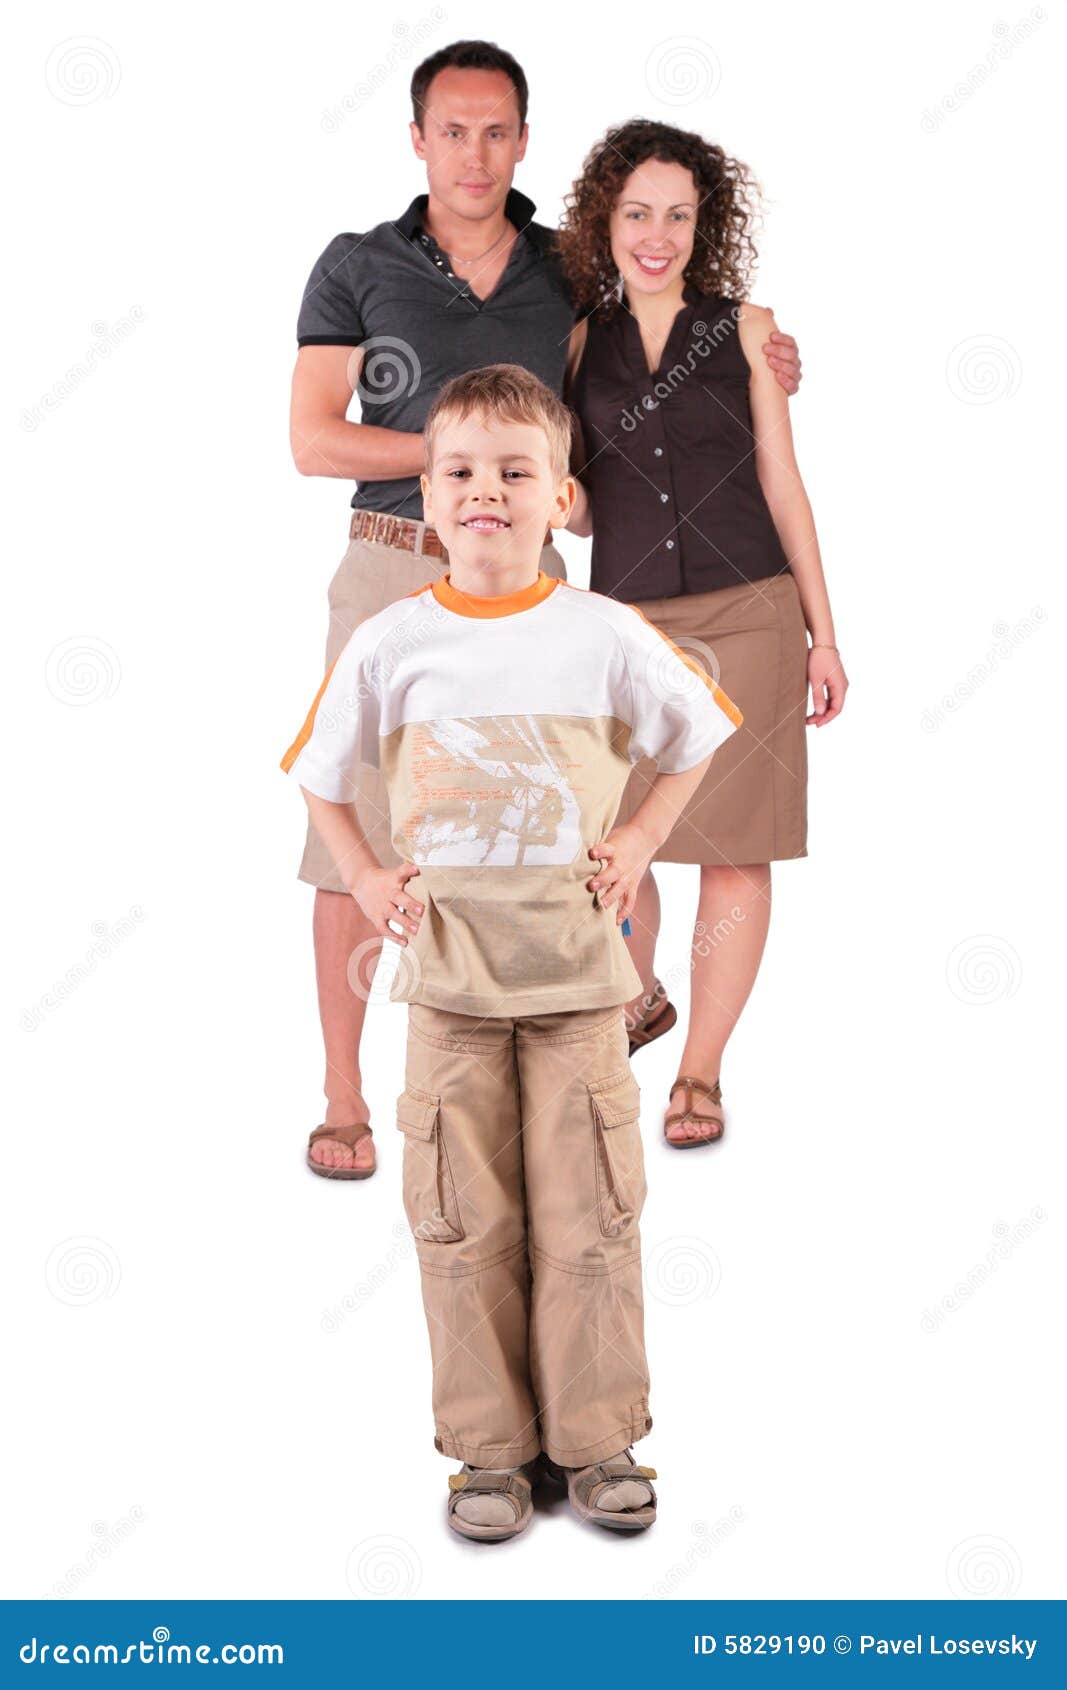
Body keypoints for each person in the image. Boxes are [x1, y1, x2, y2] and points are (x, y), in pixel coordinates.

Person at [288, 42, 803, 1180]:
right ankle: (342, 1093)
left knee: (541, 830)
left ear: (523, 140)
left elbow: (628, 369)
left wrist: (754, 359)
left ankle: (557, 1053)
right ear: (416, 139)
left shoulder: (562, 272)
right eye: (451, 130)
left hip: (533, 582)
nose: (474, 153)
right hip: (390, 557)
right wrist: (465, 461)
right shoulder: (355, 265)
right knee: (353, 838)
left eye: (496, 131)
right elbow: (314, 439)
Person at [280, 365, 742, 1538]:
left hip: (580, 990)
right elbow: (320, 779)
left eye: (512, 472)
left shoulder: (601, 634)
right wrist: (371, 874)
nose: (484, 491)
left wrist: (639, 836)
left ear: (561, 498)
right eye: (460, 473)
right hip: (446, 994)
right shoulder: (393, 641)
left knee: (589, 1216)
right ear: (426, 502)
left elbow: (697, 734)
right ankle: (487, 1453)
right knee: (459, 1221)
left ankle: (597, 1443)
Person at [560, 119, 849, 1147]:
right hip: (626, 624)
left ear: (702, 225)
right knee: (615, 843)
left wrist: (821, 632)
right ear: (605, 219)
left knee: (733, 849)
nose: (656, 233)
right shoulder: (576, 338)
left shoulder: (749, 330)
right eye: (637, 212)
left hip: (749, 610)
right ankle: (637, 996)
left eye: (678, 214)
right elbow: (584, 505)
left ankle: (698, 1074)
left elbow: (782, 479)